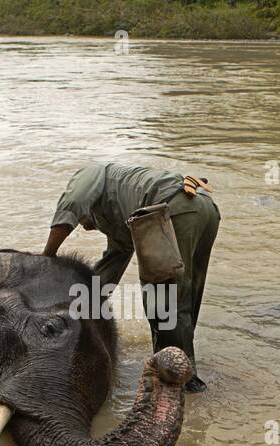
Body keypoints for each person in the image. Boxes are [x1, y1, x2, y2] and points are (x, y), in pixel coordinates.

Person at [43, 162, 219, 392]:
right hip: (205, 208)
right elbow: (110, 269)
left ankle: (176, 377)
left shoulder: (91, 174)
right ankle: (182, 366)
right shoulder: (121, 210)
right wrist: (80, 304)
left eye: (86, 222)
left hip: (174, 210)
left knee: (162, 296)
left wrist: (46, 258)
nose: (86, 227)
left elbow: (71, 206)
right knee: (186, 292)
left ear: (90, 205)